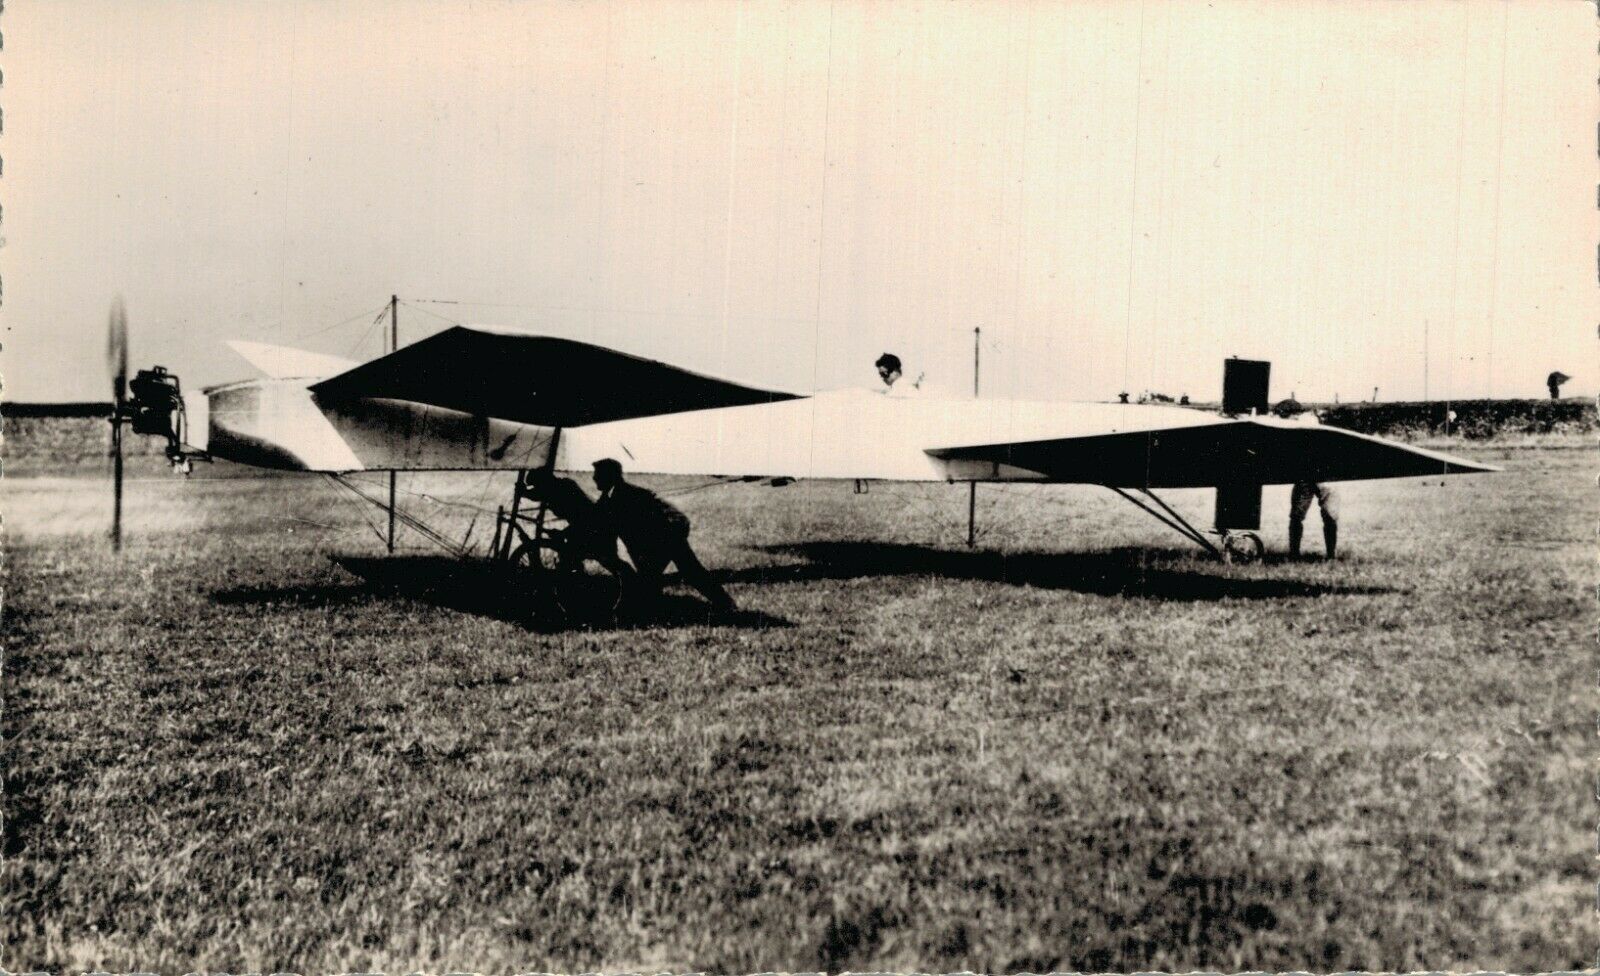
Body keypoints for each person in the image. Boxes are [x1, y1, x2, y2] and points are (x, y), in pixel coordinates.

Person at [590, 458, 737, 613]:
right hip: (662, 535)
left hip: (667, 533)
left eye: (597, 474)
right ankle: (725, 604)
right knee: (687, 572)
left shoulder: (625, 495)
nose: (594, 478)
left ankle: (726, 605)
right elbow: (597, 516)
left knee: (681, 573)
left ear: (609, 476)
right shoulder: (611, 495)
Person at [1274, 398, 1340, 559]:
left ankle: (1330, 555)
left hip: (1324, 477)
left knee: (1329, 516)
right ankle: (1295, 554)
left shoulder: (1309, 422)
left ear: (1292, 415)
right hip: (1306, 477)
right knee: (1297, 516)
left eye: (1283, 417)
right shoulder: (1298, 425)